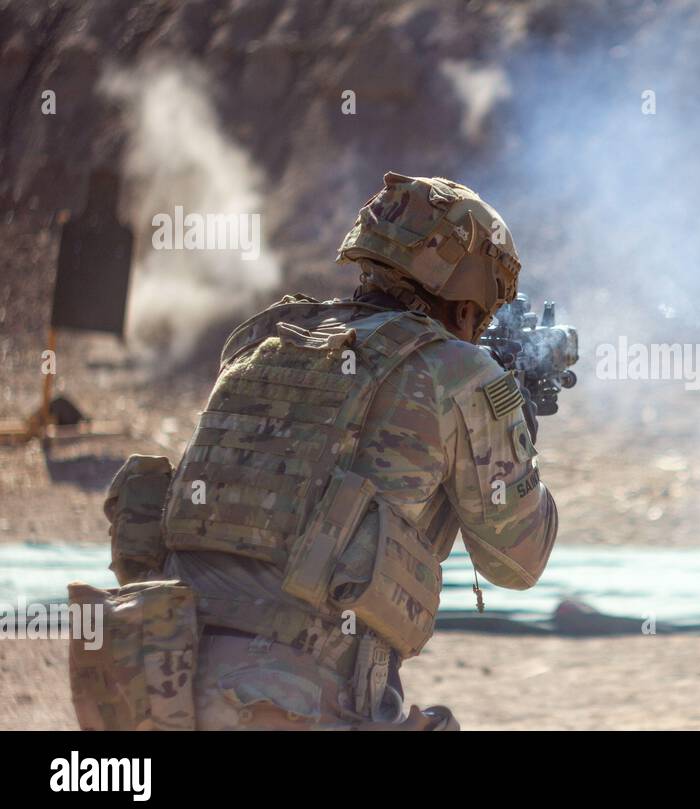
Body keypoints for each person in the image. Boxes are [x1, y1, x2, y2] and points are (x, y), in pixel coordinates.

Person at [75, 173, 558, 731]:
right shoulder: (459, 373)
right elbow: (519, 559)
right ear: (470, 296)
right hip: (291, 700)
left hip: (158, 679)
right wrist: (514, 421)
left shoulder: (262, 338)